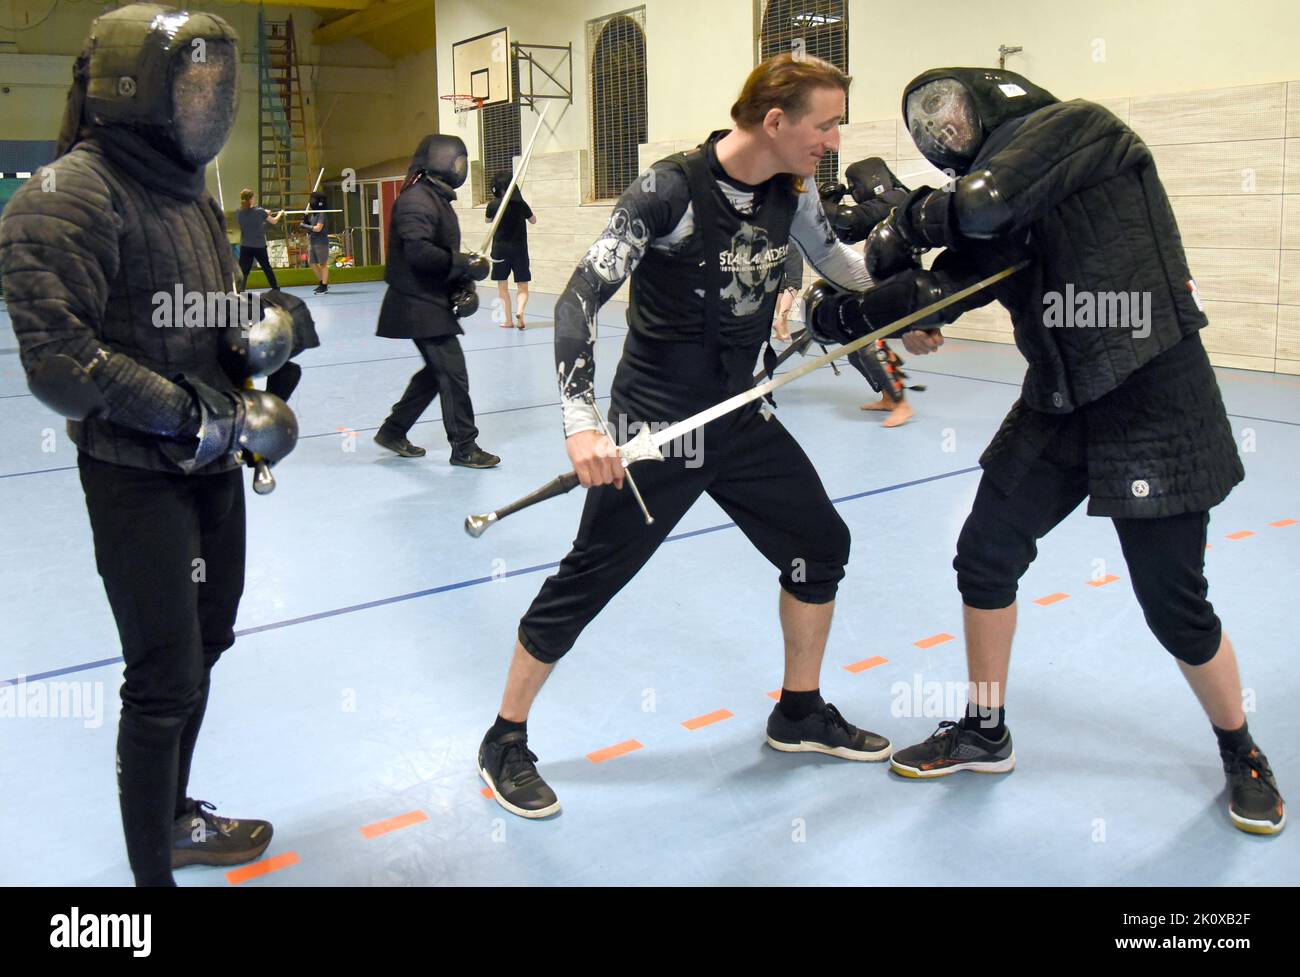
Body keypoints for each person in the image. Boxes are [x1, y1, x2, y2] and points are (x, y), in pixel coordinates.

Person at [840, 66, 1283, 834]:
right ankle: (985, 728)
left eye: (950, 119)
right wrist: (847, 312)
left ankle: (1241, 748)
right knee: (984, 552)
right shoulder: (999, 204)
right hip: (1060, 397)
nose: (946, 134)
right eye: (934, 131)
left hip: (1151, 393)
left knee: (1174, 605)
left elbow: (978, 206)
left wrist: (905, 217)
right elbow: (946, 283)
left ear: (988, 93)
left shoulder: (1083, 127)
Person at [477, 53, 891, 821]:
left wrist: (908, 301)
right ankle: (504, 738)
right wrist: (582, 424)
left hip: (741, 414)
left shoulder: (790, 193)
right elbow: (577, 300)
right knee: (589, 577)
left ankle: (798, 711)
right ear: (775, 121)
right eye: (825, 123)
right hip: (655, 425)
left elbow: (839, 264)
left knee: (820, 545)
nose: (833, 140)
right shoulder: (668, 191)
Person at [0, 3, 304, 885]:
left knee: (208, 643)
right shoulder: (63, 199)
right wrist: (192, 415)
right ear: (136, 91)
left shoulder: (190, 191)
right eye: (192, 83)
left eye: (217, 82)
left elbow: (205, 315)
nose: (208, 100)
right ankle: (150, 881)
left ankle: (173, 817)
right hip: (137, 477)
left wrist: (268, 343)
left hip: (209, 471)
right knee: (164, 674)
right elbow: (63, 361)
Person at [372, 134, 500, 468]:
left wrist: (463, 282)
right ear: (442, 160)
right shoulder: (417, 200)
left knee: (436, 373)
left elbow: (440, 253)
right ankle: (464, 447)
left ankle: (392, 430)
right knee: (452, 373)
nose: (460, 168)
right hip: (416, 302)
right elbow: (419, 253)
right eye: (456, 161)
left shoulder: (434, 199)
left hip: (428, 299)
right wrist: (465, 264)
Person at [484, 170, 537, 329]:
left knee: (503, 286)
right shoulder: (521, 204)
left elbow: (487, 221)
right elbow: (534, 220)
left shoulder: (493, 205)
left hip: (500, 250)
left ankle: (508, 321)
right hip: (519, 250)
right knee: (522, 286)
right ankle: (520, 311)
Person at [236, 188, 282, 291]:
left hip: (245, 246)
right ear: (251, 199)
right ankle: (275, 288)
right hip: (259, 246)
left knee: (244, 270)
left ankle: (240, 290)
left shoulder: (239, 212)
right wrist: (280, 214)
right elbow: (274, 221)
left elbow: (252, 215)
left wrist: (265, 213)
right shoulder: (260, 211)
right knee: (266, 268)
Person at [303, 191, 330, 293]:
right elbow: (312, 226)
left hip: (321, 241)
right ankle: (322, 281)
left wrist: (305, 225)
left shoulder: (321, 214)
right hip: (313, 240)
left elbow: (318, 228)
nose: (311, 202)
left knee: (323, 264)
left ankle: (324, 285)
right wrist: (306, 221)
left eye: (313, 200)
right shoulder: (314, 214)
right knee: (312, 263)